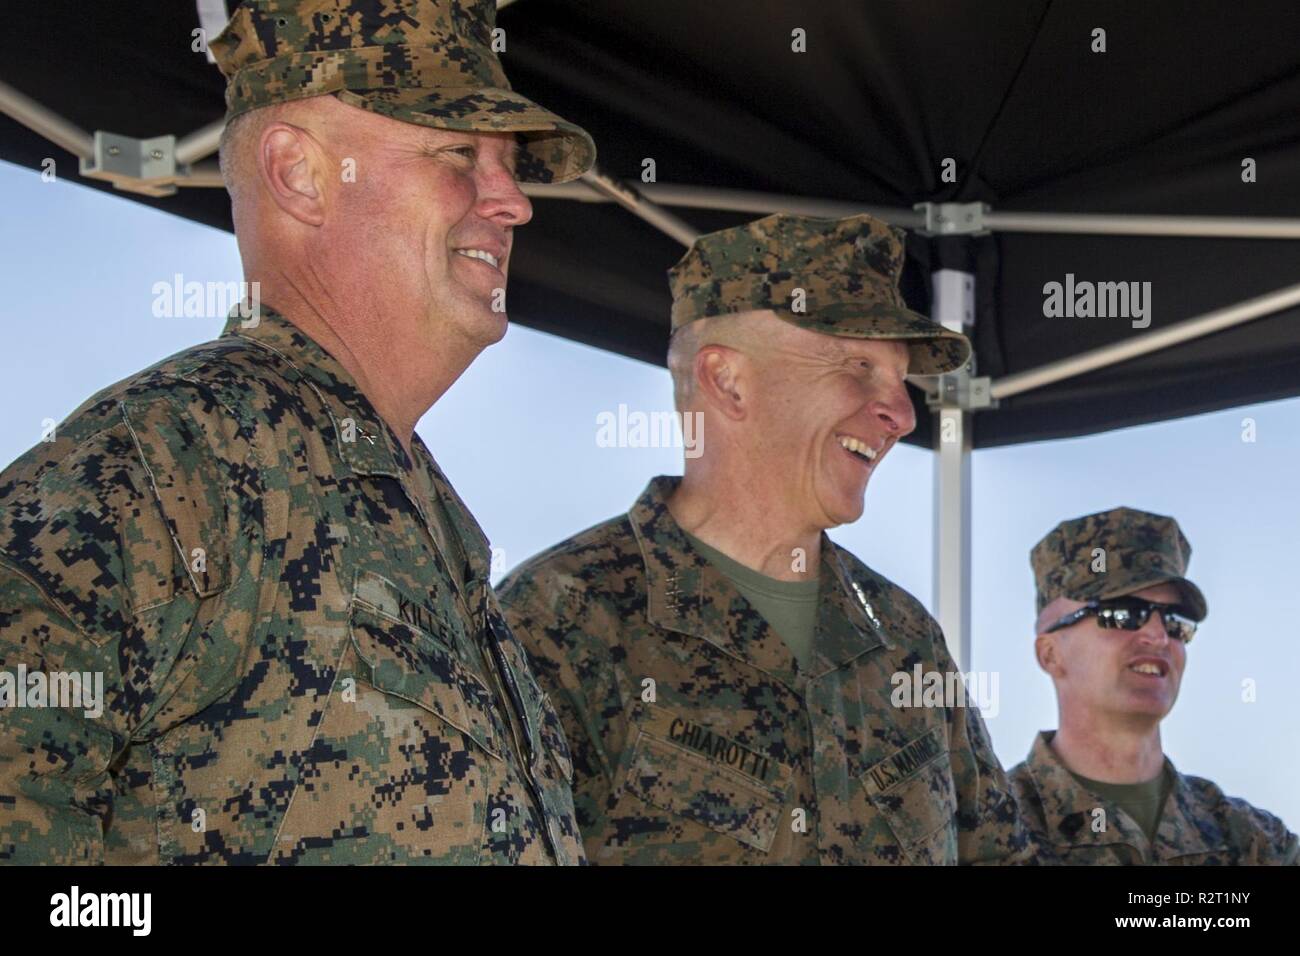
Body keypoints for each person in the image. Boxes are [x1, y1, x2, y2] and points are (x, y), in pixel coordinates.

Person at [0, 0, 595, 865]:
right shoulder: (171, 458)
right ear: (300, 174)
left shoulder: (426, 515)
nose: (512, 204)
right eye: (460, 154)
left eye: (507, 166)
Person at [499, 212, 1036, 864]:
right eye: (859, 366)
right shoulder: (559, 618)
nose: (901, 414)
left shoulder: (902, 636)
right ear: (727, 380)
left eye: (901, 382)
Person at [1009, 507, 1298, 864]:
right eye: (1123, 613)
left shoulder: (1252, 841)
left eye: (1175, 621)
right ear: (1050, 654)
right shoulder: (986, 833)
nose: (1158, 636)